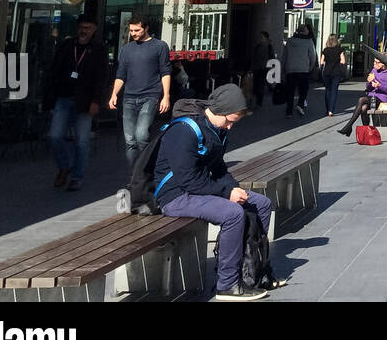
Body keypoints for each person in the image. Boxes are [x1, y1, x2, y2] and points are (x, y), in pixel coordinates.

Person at [155, 84, 273, 301]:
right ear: (219, 110)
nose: (229, 128)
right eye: (229, 121)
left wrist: (233, 188)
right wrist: (226, 194)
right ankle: (227, 284)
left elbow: (218, 168)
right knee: (233, 213)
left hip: (200, 188)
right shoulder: (184, 130)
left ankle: (256, 270)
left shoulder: (217, 130)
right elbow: (187, 179)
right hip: (176, 196)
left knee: (262, 204)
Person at [44, 17, 111, 191]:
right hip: (64, 97)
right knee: (54, 136)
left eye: (87, 27)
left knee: (81, 141)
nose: (84, 31)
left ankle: (77, 177)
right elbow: (55, 69)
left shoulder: (98, 49)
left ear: (94, 29)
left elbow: (101, 77)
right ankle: (64, 166)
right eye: (81, 27)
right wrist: (50, 93)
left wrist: (96, 100)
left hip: (85, 100)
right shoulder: (67, 45)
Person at [108, 16, 172, 168]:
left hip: (150, 95)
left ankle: (148, 169)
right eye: (131, 31)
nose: (133, 34)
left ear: (146, 28)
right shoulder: (127, 49)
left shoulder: (160, 46)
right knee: (130, 140)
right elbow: (121, 74)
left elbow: (165, 72)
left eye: (137, 30)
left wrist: (166, 96)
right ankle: (135, 176)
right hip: (129, 97)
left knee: (141, 135)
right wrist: (114, 94)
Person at [337, 58, 387, 135]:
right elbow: (368, 88)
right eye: (374, 61)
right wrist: (369, 83)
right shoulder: (374, 70)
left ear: (384, 63)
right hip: (372, 98)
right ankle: (367, 132)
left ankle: (349, 126)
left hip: (384, 101)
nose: (374, 64)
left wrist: (379, 86)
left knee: (362, 100)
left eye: (377, 62)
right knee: (363, 108)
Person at [282, 25, 318, 117]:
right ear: (305, 31)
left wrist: (283, 69)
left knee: (290, 91)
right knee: (303, 90)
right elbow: (312, 56)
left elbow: (284, 56)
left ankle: (288, 112)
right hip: (303, 69)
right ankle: (300, 104)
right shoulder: (309, 41)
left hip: (290, 69)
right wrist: (310, 67)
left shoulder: (289, 41)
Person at [321, 35, 347, 117]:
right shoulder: (339, 50)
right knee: (334, 91)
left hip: (327, 72)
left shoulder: (325, 50)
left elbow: (321, 62)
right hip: (336, 72)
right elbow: (343, 61)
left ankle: (327, 109)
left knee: (327, 90)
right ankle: (331, 110)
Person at [251, 32, 272, 108]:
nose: (260, 39)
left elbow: (271, 57)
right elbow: (254, 57)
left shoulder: (269, 47)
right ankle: (256, 101)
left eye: (262, 37)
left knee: (260, 85)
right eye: (260, 37)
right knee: (256, 85)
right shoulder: (257, 46)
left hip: (264, 69)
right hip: (257, 68)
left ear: (266, 38)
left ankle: (258, 103)